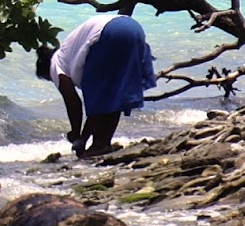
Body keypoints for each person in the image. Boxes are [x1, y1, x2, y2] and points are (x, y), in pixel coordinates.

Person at [35, 13, 157, 158]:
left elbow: (73, 102)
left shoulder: (56, 63)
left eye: (49, 80)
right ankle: (102, 144)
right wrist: (83, 139)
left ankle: (100, 144)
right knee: (115, 93)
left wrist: (75, 133)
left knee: (106, 95)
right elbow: (103, 104)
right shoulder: (70, 54)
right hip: (133, 28)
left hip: (109, 33)